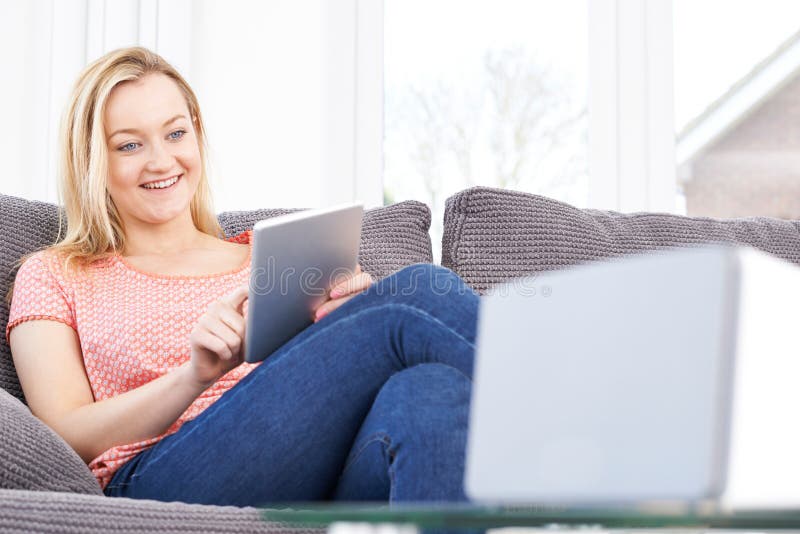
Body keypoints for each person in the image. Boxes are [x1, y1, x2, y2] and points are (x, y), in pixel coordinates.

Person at [6, 46, 480, 508]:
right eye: (129, 145)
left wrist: (348, 319)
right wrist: (193, 377)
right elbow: (65, 433)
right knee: (413, 291)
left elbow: (320, 383)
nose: (161, 161)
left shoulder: (272, 255)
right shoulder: (54, 274)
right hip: (165, 474)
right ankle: (548, 415)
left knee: (431, 393)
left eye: (175, 134)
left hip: (317, 466)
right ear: (92, 160)